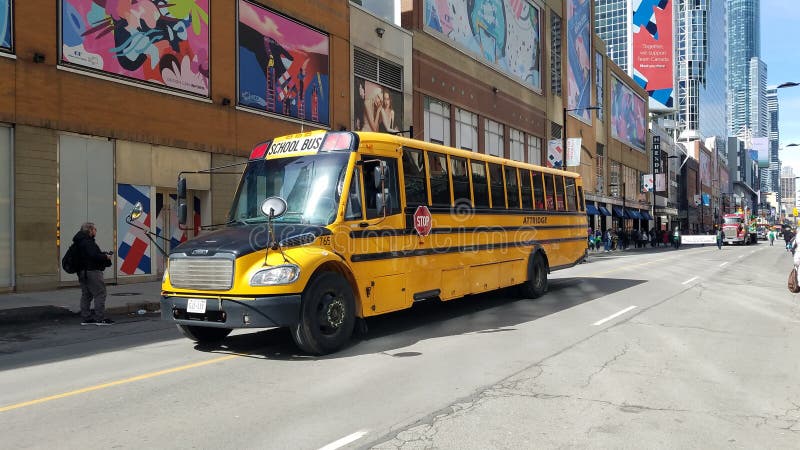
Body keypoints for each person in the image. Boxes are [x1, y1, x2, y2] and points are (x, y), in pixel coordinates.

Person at [74, 222, 113, 325]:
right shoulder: (88, 242)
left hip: (82, 271)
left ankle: (86, 318)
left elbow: (89, 255)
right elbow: (93, 256)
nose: (96, 231)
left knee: (86, 295)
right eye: (94, 229)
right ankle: (100, 318)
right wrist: (106, 257)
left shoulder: (79, 241)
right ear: (90, 230)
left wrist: (102, 254)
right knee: (100, 293)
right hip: (92, 271)